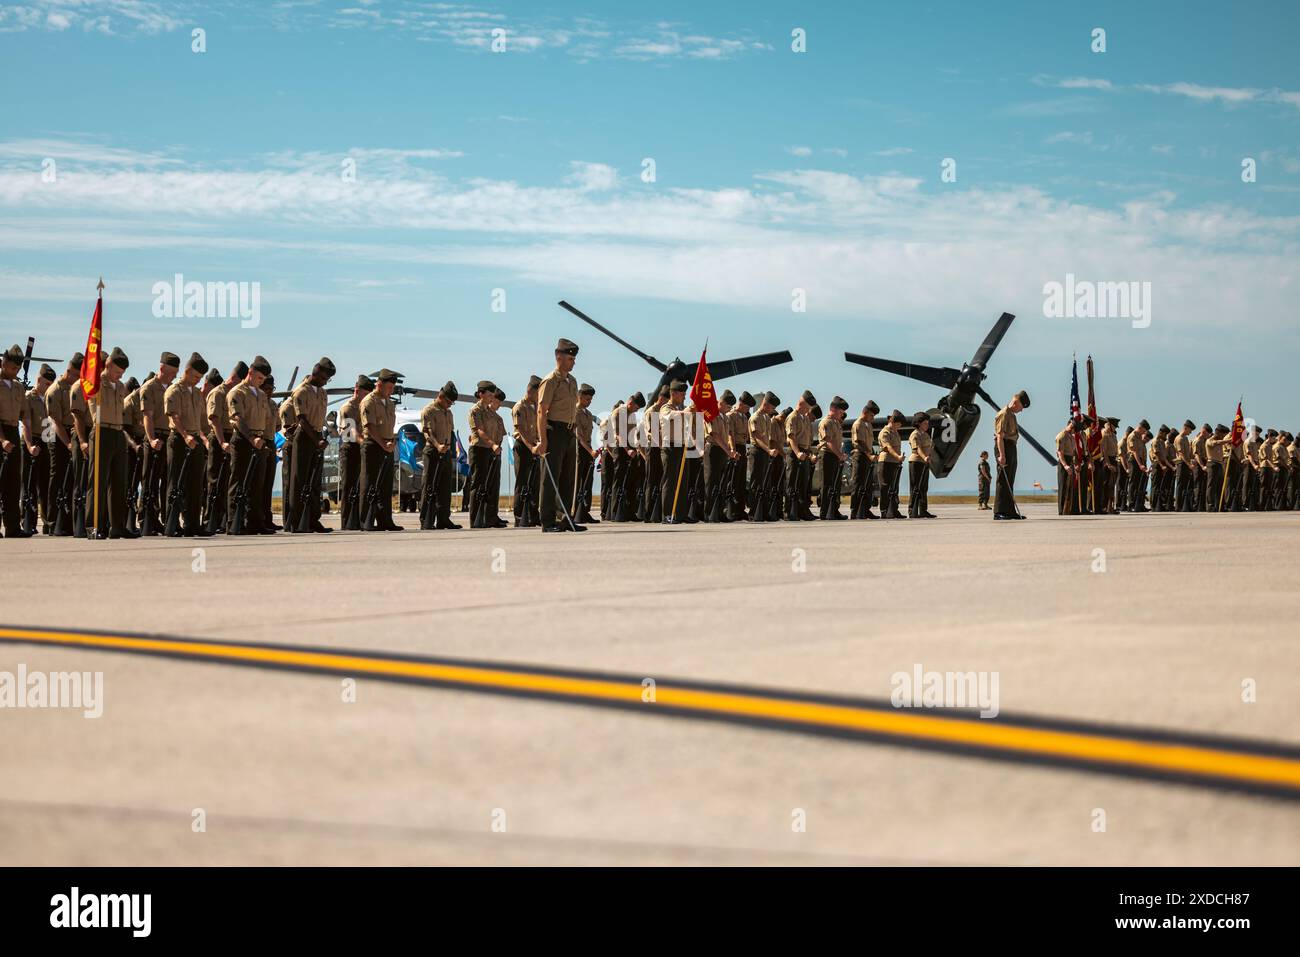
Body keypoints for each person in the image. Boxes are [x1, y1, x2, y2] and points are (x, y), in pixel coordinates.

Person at [162, 352, 210, 536]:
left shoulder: (197, 394)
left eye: (200, 378)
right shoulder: (174, 391)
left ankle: (192, 524)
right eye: (196, 376)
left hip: (195, 440)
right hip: (179, 440)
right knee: (175, 483)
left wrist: (203, 439)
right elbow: (174, 416)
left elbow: (202, 421)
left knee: (195, 484)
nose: (198, 381)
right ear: (188, 371)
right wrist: (185, 436)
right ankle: (172, 524)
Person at [90, 347, 135, 539]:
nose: (119, 376)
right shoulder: (95, 383)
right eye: (117, 372)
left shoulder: (120, 386)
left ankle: (117, 526)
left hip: (118, 433)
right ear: (107, 365)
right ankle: (94, 527)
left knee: (119, 483)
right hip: (101, 431)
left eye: (122, 373)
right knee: (98, 482)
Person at [226, 357, 273, 535]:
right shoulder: (237, 393)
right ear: (251, 373)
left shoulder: (261, 395)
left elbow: (267, 420)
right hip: (243, 440)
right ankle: (233, 521)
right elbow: (238, 419)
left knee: (257, 483)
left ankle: (255, 522)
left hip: (259, 441)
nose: (262, 382)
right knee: (238, 481)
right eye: (260, 378)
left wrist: (262, 441)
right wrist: (252, 438)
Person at [289, 357, 336, 533]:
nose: (325, 382)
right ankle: (297, 521)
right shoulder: (301, 391)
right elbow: (302, 419)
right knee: (299, 480)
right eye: (324, 378)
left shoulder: (322, 393)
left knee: (315, 482)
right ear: (316, 373)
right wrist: (316, 440)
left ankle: (313, 519)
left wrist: (321, 437)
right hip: (304, 436)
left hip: (317, 436)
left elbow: (319, 419)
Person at [139, 351, 179, 535]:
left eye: (175, 373)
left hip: (169, 437)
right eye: (171, 372)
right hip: (155, 438)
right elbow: (147, 416)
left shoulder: (172, 389)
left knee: (167, 481)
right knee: (150, 482)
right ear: (162, 368)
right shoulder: (149, 388)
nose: (173, 376)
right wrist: (152, 438)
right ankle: (146, 519)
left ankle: (164, 519)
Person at [205, 362, 245, 535]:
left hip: (231, 437)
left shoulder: (233, 393)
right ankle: (210, 521)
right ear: (235, 377)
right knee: (215, 481)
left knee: (229, 480)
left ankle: (223, 520)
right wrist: (222, 442)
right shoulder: (217, 393)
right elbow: (214, 421)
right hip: (219, 438)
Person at [360, 368, 403, 531]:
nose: (391, 390)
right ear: (379, 384)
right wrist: (383, 444)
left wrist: (390, 443)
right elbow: (369, 426)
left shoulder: (390, 403)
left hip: (387, 445)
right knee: (369, 484)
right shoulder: (369, 401)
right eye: (389, 387)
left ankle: (385, 520)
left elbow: (390, 426)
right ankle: (366, 521)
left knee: (385, 486)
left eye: (393, 388)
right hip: (373, 445)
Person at [45, 353, 81, 536]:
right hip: (57, 435)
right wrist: (68, 444)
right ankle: (52, 520)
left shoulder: (75, 388)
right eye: (76, 374)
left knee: (71, 479)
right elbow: (55, 422)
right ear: (69, 370)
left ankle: (66, 519)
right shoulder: (55, 390)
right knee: (57, 476)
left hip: (72, 433)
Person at [417, 381, 460, 530]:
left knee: (445, 487)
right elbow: (427, 433)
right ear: (440, 396)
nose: (449, 405)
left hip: (446, 452)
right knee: (429, 486)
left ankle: (443, 519)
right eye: (448, 402)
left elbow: (451, 432)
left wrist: (450, 449)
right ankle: (426, 520)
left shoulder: (448, 412)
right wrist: (438, 446)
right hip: (432, 452)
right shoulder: (429, 410)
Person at [0, 345, 30, 538]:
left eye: (17, 369)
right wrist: (2, 441)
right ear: (3, 363)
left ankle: (13, 527)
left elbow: (25, 417)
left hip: (12, 432)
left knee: (13, 482)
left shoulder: (18, 387)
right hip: (1, 431)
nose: (15, 372)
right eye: (12, 368)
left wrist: (27, 443)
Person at [20, 363, 55, 534]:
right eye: (47, 384)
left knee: (46, 485)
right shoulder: (28, 397)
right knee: (29, 484)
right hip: (31, 441)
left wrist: (49, 444)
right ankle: (28, 521)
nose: (49, 388)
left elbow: (49, 422)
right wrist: (29, 446)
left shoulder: (50, 398)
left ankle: (48, 521)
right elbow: (26, 423)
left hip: (46, 441)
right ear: (39, 380)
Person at [338, 375, 373, 530]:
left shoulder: (365, 407)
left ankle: (358, 519)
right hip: (350, 449)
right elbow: (350, 432)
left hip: (362, 449)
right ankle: (346, 522)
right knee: (348, 487)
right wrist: (365, 443)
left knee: (361, 487)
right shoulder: (348, 408)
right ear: (357, 391)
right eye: (366, 394)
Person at [658, 380, 695, 524]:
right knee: (670, 482)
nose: (684, 397)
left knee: (683, 481)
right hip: (670, 448)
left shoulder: (681, 408)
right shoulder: (666, 408)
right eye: (682, 394)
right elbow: (670, 416)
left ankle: (680, 513)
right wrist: (685, 412)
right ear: (673, 393)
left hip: (682, 447)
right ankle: (667, 514)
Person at [993, 390, 1029, 520]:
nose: (1021, 410)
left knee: (1010, 479)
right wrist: (1002, 455)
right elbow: (999, 437)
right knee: (1003, 480)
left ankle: (1009, 511)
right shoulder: (1004, 414)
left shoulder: (1012, 415)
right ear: (1016, 403)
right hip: (1004, 447)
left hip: (1011, 446)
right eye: (1021, 407)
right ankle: (999, 511)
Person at [511, 375, 542, 527]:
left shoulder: (536, 407)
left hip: (535, 447)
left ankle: (533, 515)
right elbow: (521, 430)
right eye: (538, 393)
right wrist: (531, 447)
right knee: (522, 482)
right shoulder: (519, 407)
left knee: (534, 483)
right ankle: (519, 516)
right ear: (530, 390)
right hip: (523, 447)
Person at [703, 389, 737, 522]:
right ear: (721, 403)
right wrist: (728, 450)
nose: (729, 409)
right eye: (728, 407)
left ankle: (720, 511)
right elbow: (715, 435)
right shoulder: (712, 414)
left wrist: (731, 449)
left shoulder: (725, 417)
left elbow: (728, 434)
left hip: (723, 450)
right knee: (711, 482)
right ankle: (709, 512)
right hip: (713, 449)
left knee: (722, 482)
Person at [818, 396, 849, 520]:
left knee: (835, 485)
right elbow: (829, 442)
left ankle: (834, 510)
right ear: (833, 409)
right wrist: (840, 455)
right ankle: (825, 512)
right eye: (840, 412)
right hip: (827, 455)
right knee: (826, 485)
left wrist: (840, 455)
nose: (841, 415)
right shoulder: (826, 422)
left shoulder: (836, 423)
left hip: (835, 456)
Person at [574, 383, 600, 524]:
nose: (588, 402)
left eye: (590, 400)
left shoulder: (588, 414)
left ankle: (584, 511)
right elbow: (578, 435)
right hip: (579, 450)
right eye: (586, 399)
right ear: (579, 397)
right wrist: (590, 451)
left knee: (587, 483)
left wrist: (591, 451)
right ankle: (575, 511)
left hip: (588, 450)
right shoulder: (574, 412)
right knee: (578, 482)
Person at [850, 401, 880, 519]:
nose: (873, 418)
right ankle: (855, 510)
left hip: (867, 457)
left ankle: (865, 509)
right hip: (860, 456)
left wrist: (872, 454)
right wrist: (869, 454)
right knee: (858, 484)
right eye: (871, 415)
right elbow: (860, 443)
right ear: (865, 413)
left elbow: (869, 443)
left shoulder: (868, 425)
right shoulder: (858, 424)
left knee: (867, 485)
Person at [877, 409, 905, 519]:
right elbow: (888, 447)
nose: (899, 427)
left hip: (894, 462)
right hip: (886, 461)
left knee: (894, 488)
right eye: (898, 424)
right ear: (892, 422)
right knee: (885, 487)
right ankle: (884, 510)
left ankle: (894, 510)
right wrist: (897, 456)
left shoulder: (895, 432)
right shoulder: (885, 432)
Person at [907, 411, 935, 518]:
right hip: (916, 462)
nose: (927, 425)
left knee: (923, 488)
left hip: (924, 463)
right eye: (925, 423)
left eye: (927, 423)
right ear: (919, 424)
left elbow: (930, 447)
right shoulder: (915, 434)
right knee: (915, 487)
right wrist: (925, 457)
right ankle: (912, 510)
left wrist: (929, 457)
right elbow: (917, 448)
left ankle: (923, 510)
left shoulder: (926, 435)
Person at [1055, 418, 1080, 515]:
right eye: (1072, 427)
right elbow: (1060, 453)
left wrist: (1075, 464)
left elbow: (1073, 452)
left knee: (1070, 487)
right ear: (1069, 425)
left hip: (1070, 461)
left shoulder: (1071, 437)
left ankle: (1068, 509)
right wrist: (1065, 466)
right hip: (1063, 462)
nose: (1073, 430)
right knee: (1063, 487)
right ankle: (1061, 510)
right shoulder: (1062, 435)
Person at [1127, 419, 1151, 512]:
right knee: (1133, 483)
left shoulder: (1139, 437)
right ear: (1140, 428)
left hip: (1139, 461)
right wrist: (1140, 465)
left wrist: (1143, 464)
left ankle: (1139, 504)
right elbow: (1134, 452)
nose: (1144, 433)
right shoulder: (1132, 436)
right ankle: (1131, 504)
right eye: (1144, 431)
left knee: (1139, 484)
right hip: (1133, 461)